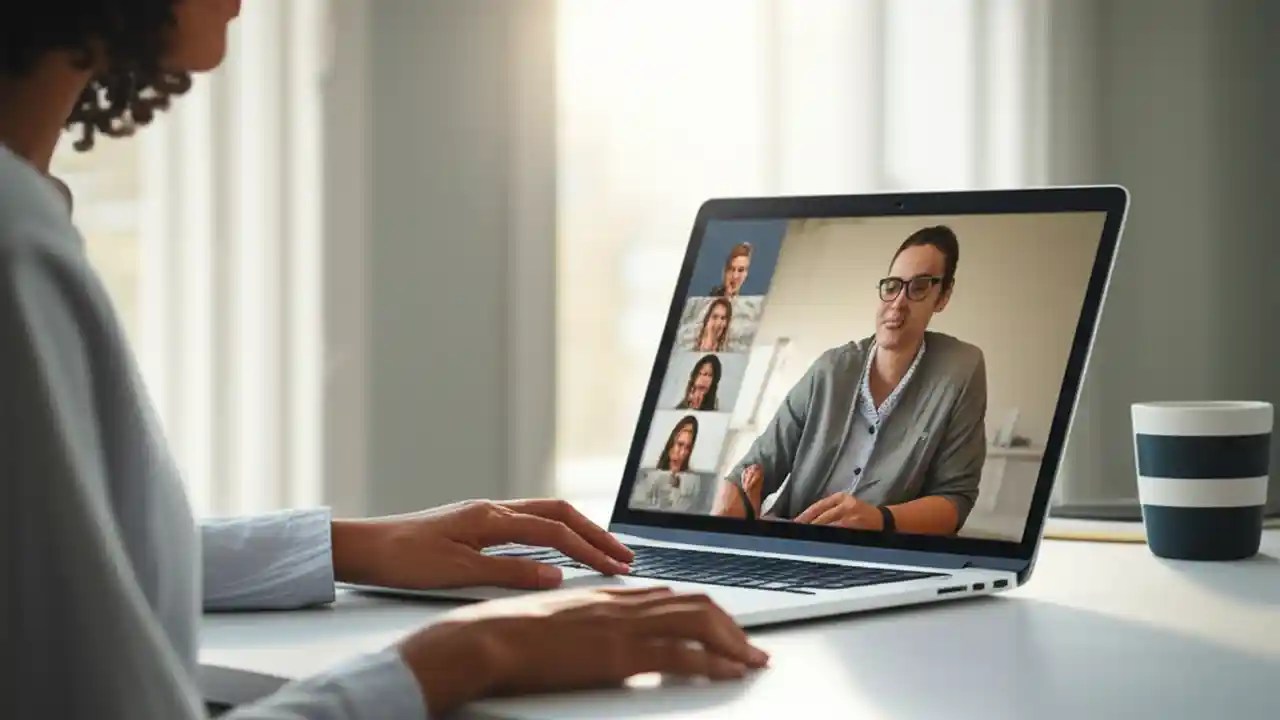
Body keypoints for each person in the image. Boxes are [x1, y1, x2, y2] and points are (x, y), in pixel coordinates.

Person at [0, 3, 768, 719]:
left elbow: (57, 574)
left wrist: (348, 546)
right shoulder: (15, 253)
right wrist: (470, 655)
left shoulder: (26, 220)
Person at [710, 225, 987, 536]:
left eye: (919, 286)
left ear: (943, 296)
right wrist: (730, 509)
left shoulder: (961, 370)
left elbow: (955, 499)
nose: (898, 303)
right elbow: (755, 467)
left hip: (877, 560)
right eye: (892, 286)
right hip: (788, 544)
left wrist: (879, 520)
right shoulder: (829, 369)